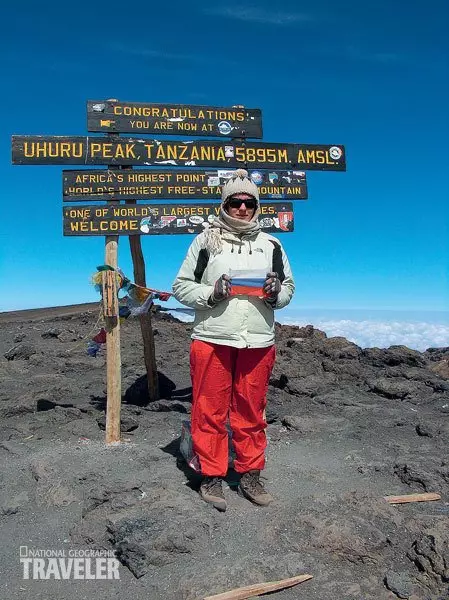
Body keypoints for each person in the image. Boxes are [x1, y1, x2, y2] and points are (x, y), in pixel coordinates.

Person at [172, 169, 295, 511]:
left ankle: (250, 474)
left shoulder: (272, 245)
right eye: (234, 202)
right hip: (212, 338)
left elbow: (288, 289)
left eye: (248, 202)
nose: (242, 208)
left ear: (257, 205)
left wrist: (274, 295)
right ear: (224, 204)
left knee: (251, 411)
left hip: (257, 341)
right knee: (209, 410)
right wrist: (212, 293)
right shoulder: (205, 241)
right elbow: (181, 286)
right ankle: (211, 476)